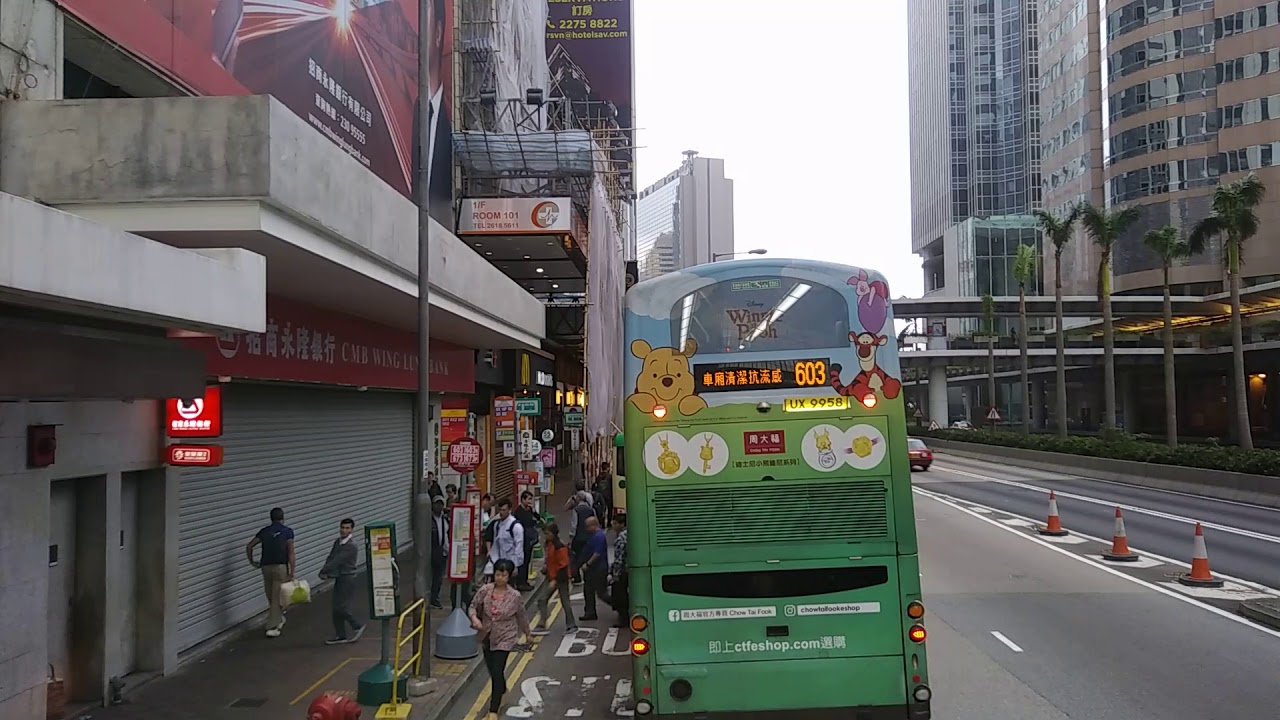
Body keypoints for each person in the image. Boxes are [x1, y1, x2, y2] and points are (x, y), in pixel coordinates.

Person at [468, 558, 531, 719]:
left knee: (497, 671)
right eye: (497, 574)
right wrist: (475, 619)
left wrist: (527, 633)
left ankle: (493, 710)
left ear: (509, 576)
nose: (500, 578)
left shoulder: (515, 596)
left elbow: (522, 616)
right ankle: (503, 690)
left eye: (503, 575)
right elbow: (473, 606)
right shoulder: (485, 591)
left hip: (505, 636)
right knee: (492, 669)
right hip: (487, 635)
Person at [245, 507, 295, 637]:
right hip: (280, 567)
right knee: (276, 596)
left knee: (270, 594)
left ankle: (276, 619)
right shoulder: (287, 532)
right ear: (283, 518)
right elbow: (290, 552)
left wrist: (252, 561)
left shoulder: (264, 531)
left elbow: (249, 546)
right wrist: (292, 570)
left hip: (265, 567)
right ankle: (274, 626)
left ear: (271, 518)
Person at [319, 518, 366, 644]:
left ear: (351, 530)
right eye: (342, 527)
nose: (344, 530)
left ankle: (356, 625)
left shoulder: (351, 546)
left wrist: (324, 570)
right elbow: (331, 557)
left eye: (347, 528)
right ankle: (341, 635)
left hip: (348, 578)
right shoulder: (338, 542)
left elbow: (338, 560)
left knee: (341, 607)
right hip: (340, 577)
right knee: (335, 608)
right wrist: (326, 571)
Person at [531, 523, 577, 635]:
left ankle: (571, 625)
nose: (545, 536)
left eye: (547, 533)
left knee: (564, 601)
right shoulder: (549, 544)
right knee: (542, 599)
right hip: (551, 576)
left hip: (560, 578)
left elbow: (563, 565)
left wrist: (555, 580)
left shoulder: (559, 546)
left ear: (553, 533)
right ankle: (542, 623)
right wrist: (546, 568)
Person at [572, 516, 609, 622]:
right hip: (592, 570)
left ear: (594, 525)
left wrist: (587, 564)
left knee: (602, 593)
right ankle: (590, 612)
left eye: (588, 527)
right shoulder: (594, 535)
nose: (586, 529)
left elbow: (597, 554)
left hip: (598, 569)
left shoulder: (599, 536)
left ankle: (620, 606)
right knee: (588, 591)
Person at [484, 498, 525, 583]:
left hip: (510, 564)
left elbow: (519, 546)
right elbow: (495, 544)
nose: (501, 512)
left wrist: (516, 565)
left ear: (509, 510)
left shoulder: (516, 526)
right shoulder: (497, 524)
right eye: (500, 510)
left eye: (504, 510)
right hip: (498, 563)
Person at [512, 491, 542, 591]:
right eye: (528, 499)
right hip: (522, 540)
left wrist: (533, 511)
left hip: (529, 540)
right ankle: (521, 582)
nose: (530, 501)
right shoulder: (519, 511)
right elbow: (527, 522)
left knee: (527, 560)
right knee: (523, 562)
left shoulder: (529, 510)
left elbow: (538, 517)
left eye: (531, 499)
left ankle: (524, 580)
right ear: (523, 499)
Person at [608, 514, 629, 628]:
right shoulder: (630, 534)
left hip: (622, 572)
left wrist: (614, 575)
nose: (613, 525)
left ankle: (624, 619)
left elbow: (619, 559)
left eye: (615, 523)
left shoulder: (621, 538)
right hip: (629, 570)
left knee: (620, 596)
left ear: (622, 524)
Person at [430, 496, 450, 608]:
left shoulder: (445, 519)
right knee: (433, 576)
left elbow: (447, 535)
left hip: (443, 552)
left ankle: (435, 597)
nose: (439, 506)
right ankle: (431, 597)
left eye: (441, 504)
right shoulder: (428, 520)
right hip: (433, 551)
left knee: (439, 577)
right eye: (437, 504)